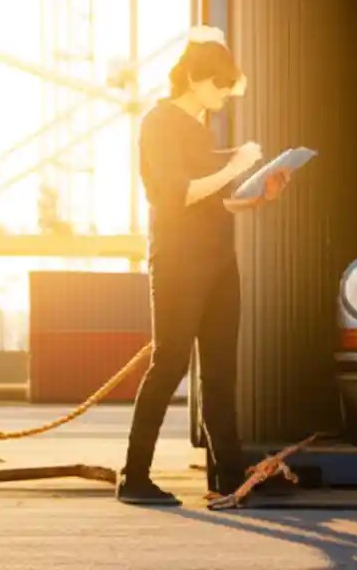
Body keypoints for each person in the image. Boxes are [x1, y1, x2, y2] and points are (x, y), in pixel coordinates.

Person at [116, 25, 289, 505]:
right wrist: (237, 167)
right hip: (178, 261)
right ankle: (133, 477)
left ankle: (231, 478)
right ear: (194, 77)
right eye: (219, 85)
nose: (225, 96)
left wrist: (257, 196)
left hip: (217, 260)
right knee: (169, 362)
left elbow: (211, 201)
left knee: (220, 371)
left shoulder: (198, 129)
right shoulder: (159, 123)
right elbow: (178, 194)